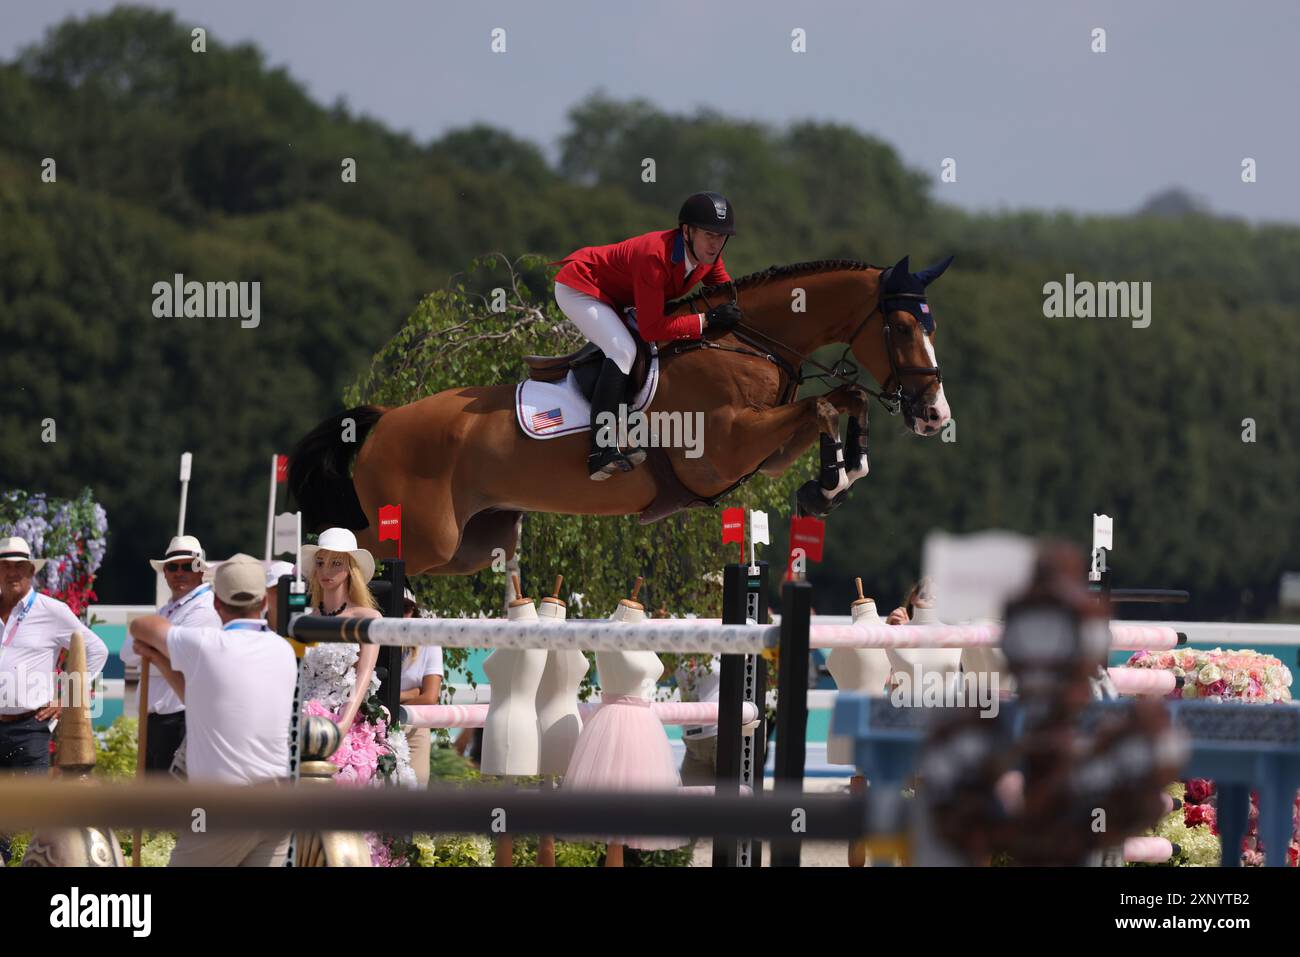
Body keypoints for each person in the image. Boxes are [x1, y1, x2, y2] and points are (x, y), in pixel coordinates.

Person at [552, 191, 740, 479]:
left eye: (721, 236)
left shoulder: (709, 257)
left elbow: (727, 295)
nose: (715, 243)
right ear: (687, 231)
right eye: (708, 234)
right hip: (581, 288)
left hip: (616, 298)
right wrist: (706, 320)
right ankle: (600, 448)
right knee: (623, 350)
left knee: (642, 348)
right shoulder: (655, 256)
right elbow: (654, 327)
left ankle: (627, 425)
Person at [128, 553, 298, 867]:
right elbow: (199, 701)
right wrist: (163, 662)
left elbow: (141, 625)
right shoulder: (283, 650)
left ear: (216, 604)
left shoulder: (206, 645)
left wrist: (154, 648)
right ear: (263, 603)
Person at [297, 528, 416, 789]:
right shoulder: (305, 620)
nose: (326, 570)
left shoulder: (368, 618)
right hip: (305, 713)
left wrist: (343, 724)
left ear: (350, 568)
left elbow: (364, 676)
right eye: (321, 562)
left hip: (347, 714)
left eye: (336, 563)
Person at [0, 535, 108, 773]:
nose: (12, 572)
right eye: (5, 566)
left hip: (29, 729)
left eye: (19, 566)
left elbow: (97, 650)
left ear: (31, 571)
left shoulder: (51, 610)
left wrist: (68, 699)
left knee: (31, 809)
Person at [119, 534, 220, 774]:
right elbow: (126, 654)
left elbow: (184, 660)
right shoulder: (167, 609)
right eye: (172, 567)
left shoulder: (206, 609)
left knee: (171, 801)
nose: (179, 572)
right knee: (153, 802)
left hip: (181, 718)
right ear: (164, 572)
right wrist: (162, 650)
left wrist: (150, 648)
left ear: (200, 570)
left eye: (187, 566)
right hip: (156, 720)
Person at [398, 587, 443, 788]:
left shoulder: (428, 641)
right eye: (395, 607)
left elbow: (430, 697)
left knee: (416, 786)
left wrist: (394, 697)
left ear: (414, 611)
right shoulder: (375, 636)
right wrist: (413, 693)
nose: (402, 613)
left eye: (406, 607)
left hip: (414, 723)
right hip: (380, 721)